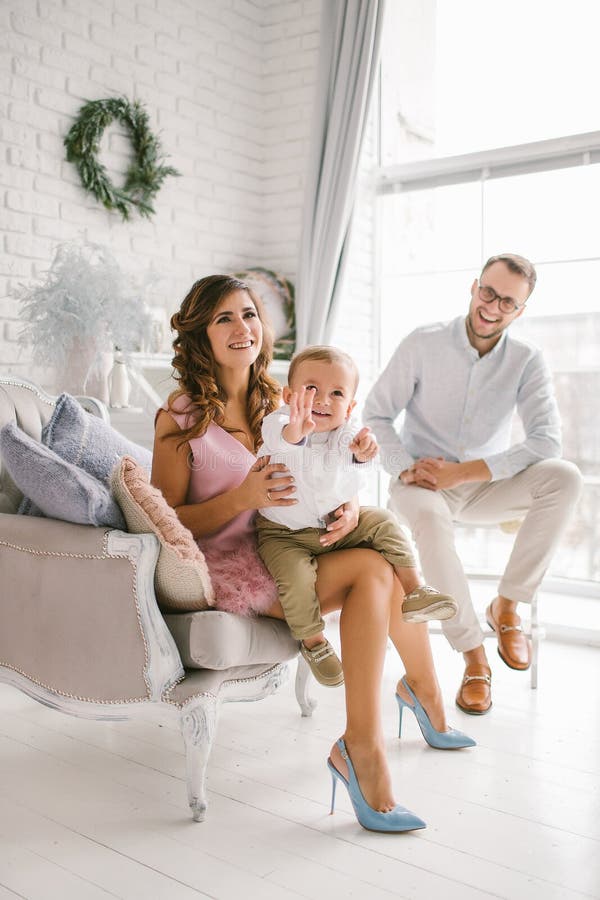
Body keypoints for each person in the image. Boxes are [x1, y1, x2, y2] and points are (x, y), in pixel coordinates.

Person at [151, 274, 475, 834]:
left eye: (249, 314)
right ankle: (388, 725)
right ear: (200, 332)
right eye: (223, 317)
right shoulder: (180, 416)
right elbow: (165, 522)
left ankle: (372, 734)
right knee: (375, 569)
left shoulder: (283, 401)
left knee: (378, 555)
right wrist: (243, 497)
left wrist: (347, 506)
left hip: (294, 542)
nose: (241, 327)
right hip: (232, 566)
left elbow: (329, 471)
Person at [363, 253, 583, 715]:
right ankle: (474, 658)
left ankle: (507, 605)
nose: (493, 306)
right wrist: (404, 465)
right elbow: (377, 413)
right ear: (473, 287)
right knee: (429, 520)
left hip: (482, 486)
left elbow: (547, 440)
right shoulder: (422, 343)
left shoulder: (526, 360)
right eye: (488, 292)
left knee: (564, 477)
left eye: (508, 301)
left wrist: (464, 472)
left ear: (519, 311)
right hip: (420, 483)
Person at [255, 344, 458, 687]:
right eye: (311, 389)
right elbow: (279, 440)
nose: (322, 400)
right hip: (283, 533)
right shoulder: (279, 422)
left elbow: (357, 458)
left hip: (333, 524)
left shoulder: (344, 429)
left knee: (383, 521)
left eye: (336, 393)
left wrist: (365, 453)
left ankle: (415, 589)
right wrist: (296, 430)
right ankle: (313, 641)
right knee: (295, 579)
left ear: (349, 406)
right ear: (289, 395)